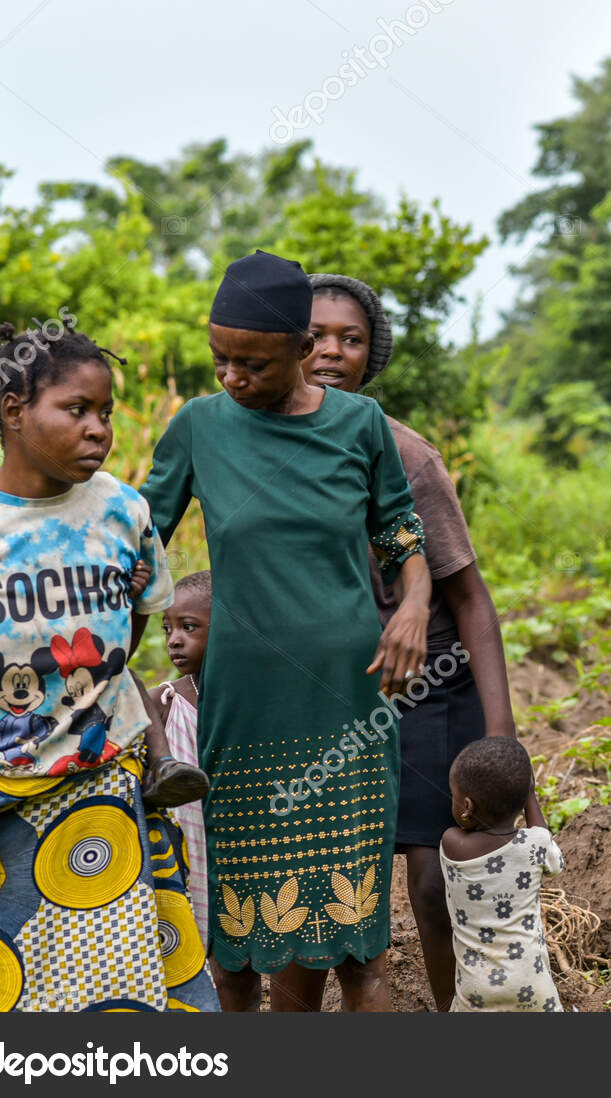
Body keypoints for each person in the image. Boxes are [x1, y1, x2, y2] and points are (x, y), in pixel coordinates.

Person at [0, 319, 216, 1010]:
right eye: (77, 410)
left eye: (106, 414)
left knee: (142, 979)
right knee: (9, 987)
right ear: (13, 412)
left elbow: (131, 619)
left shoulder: (124, 513)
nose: (99, 429)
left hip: (107, 782)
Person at [140, 250, 432, 1014]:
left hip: (346, 701)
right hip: (246, 704)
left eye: (252, 363)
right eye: (220, 360)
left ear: (304, 353)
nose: (232, 378)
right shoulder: (200, 427)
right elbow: (135, 541)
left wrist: (412, 604)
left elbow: (402, 533)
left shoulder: (359, 423)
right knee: (244, 945)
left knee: (357, 943)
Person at [303, 274, 539, 1011]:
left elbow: (470, 599)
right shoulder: (265, 458)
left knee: (437, 881)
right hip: (327, 697)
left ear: (373, 356)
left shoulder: (406, 456)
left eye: (352, 339)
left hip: (427, 691)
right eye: (314, 335)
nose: (331, 352)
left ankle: (454, 1014)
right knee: (325, 886)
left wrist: (503, 747)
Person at [0, 567, 196, 875]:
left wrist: (128, 591)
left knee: (126, 679)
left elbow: (114, 637)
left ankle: (162, 763)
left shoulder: (69, 578)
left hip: (60, 684)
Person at [440, 737, 563, 1012]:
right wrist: (529, 795)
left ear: (467, 806)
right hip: (532, 981)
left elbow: (464, 827)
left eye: (453, 794)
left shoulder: (452, 844)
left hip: (476, 987)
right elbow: (555, 864)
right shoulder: (536, 844)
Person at [138, 570, 214, 948]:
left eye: (188, 627)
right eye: (167, 629)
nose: (174, 640)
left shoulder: (249, 703)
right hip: (185, 850)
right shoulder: (164, 702)